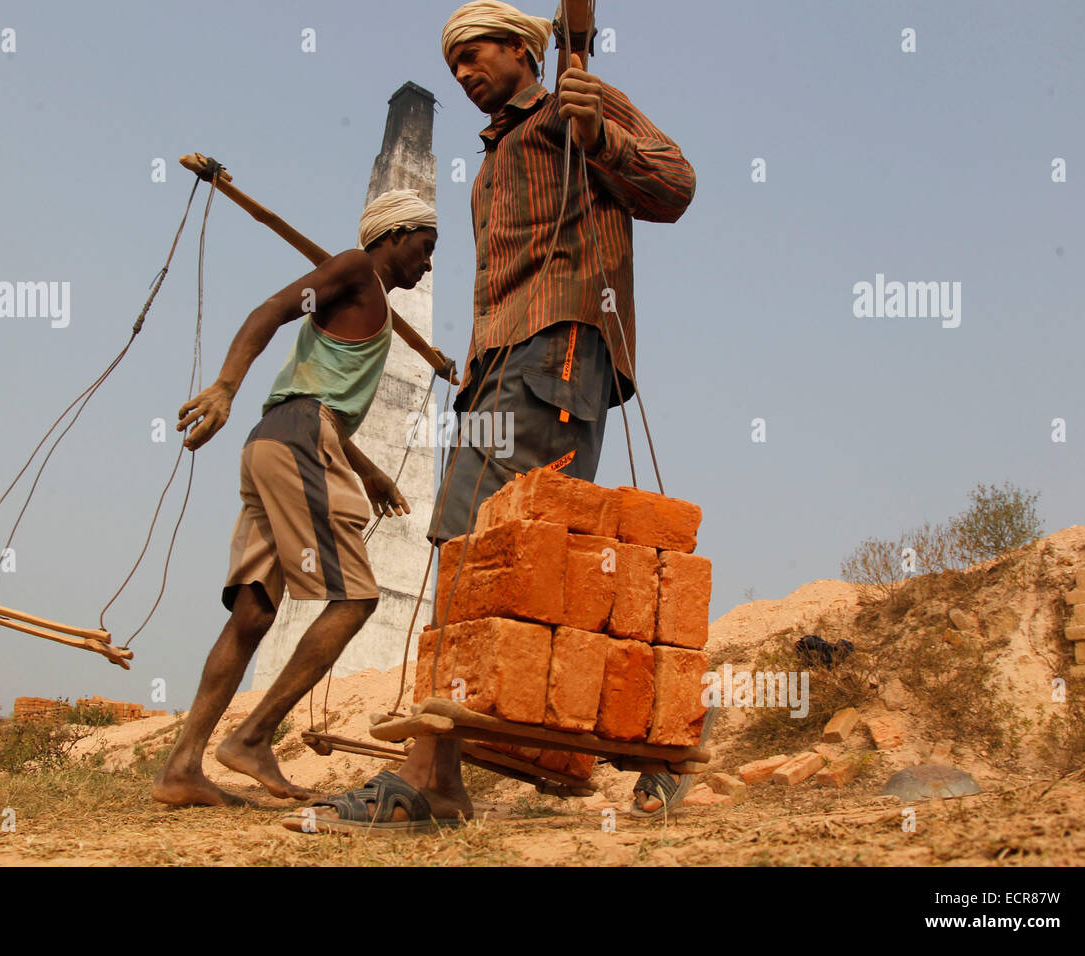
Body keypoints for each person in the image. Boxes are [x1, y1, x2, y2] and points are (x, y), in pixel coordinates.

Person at [287, 0, 696, 832]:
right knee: (467, 548)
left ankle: (438, 779)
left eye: (476, 57)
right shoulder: (498, 149)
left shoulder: (577, 100)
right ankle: (460, 769)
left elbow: (675, 185)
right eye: (454, 68)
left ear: (522, 48)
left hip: (556, 348)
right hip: (495, 366)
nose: (466, 75)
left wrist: (599, 140)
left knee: (515, 548)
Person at [152, 190, 438, 806]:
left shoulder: (371, 301)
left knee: (253, 611)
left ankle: (181, 770)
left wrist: (368, 472)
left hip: (276, 443)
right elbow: (271, 309)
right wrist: (226, 385)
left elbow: (321, 400)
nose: (428, 262)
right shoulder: (356, 268)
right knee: (357, 597)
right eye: (425, 246)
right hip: (299, 442)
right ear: (396, 235)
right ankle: (253, 739)